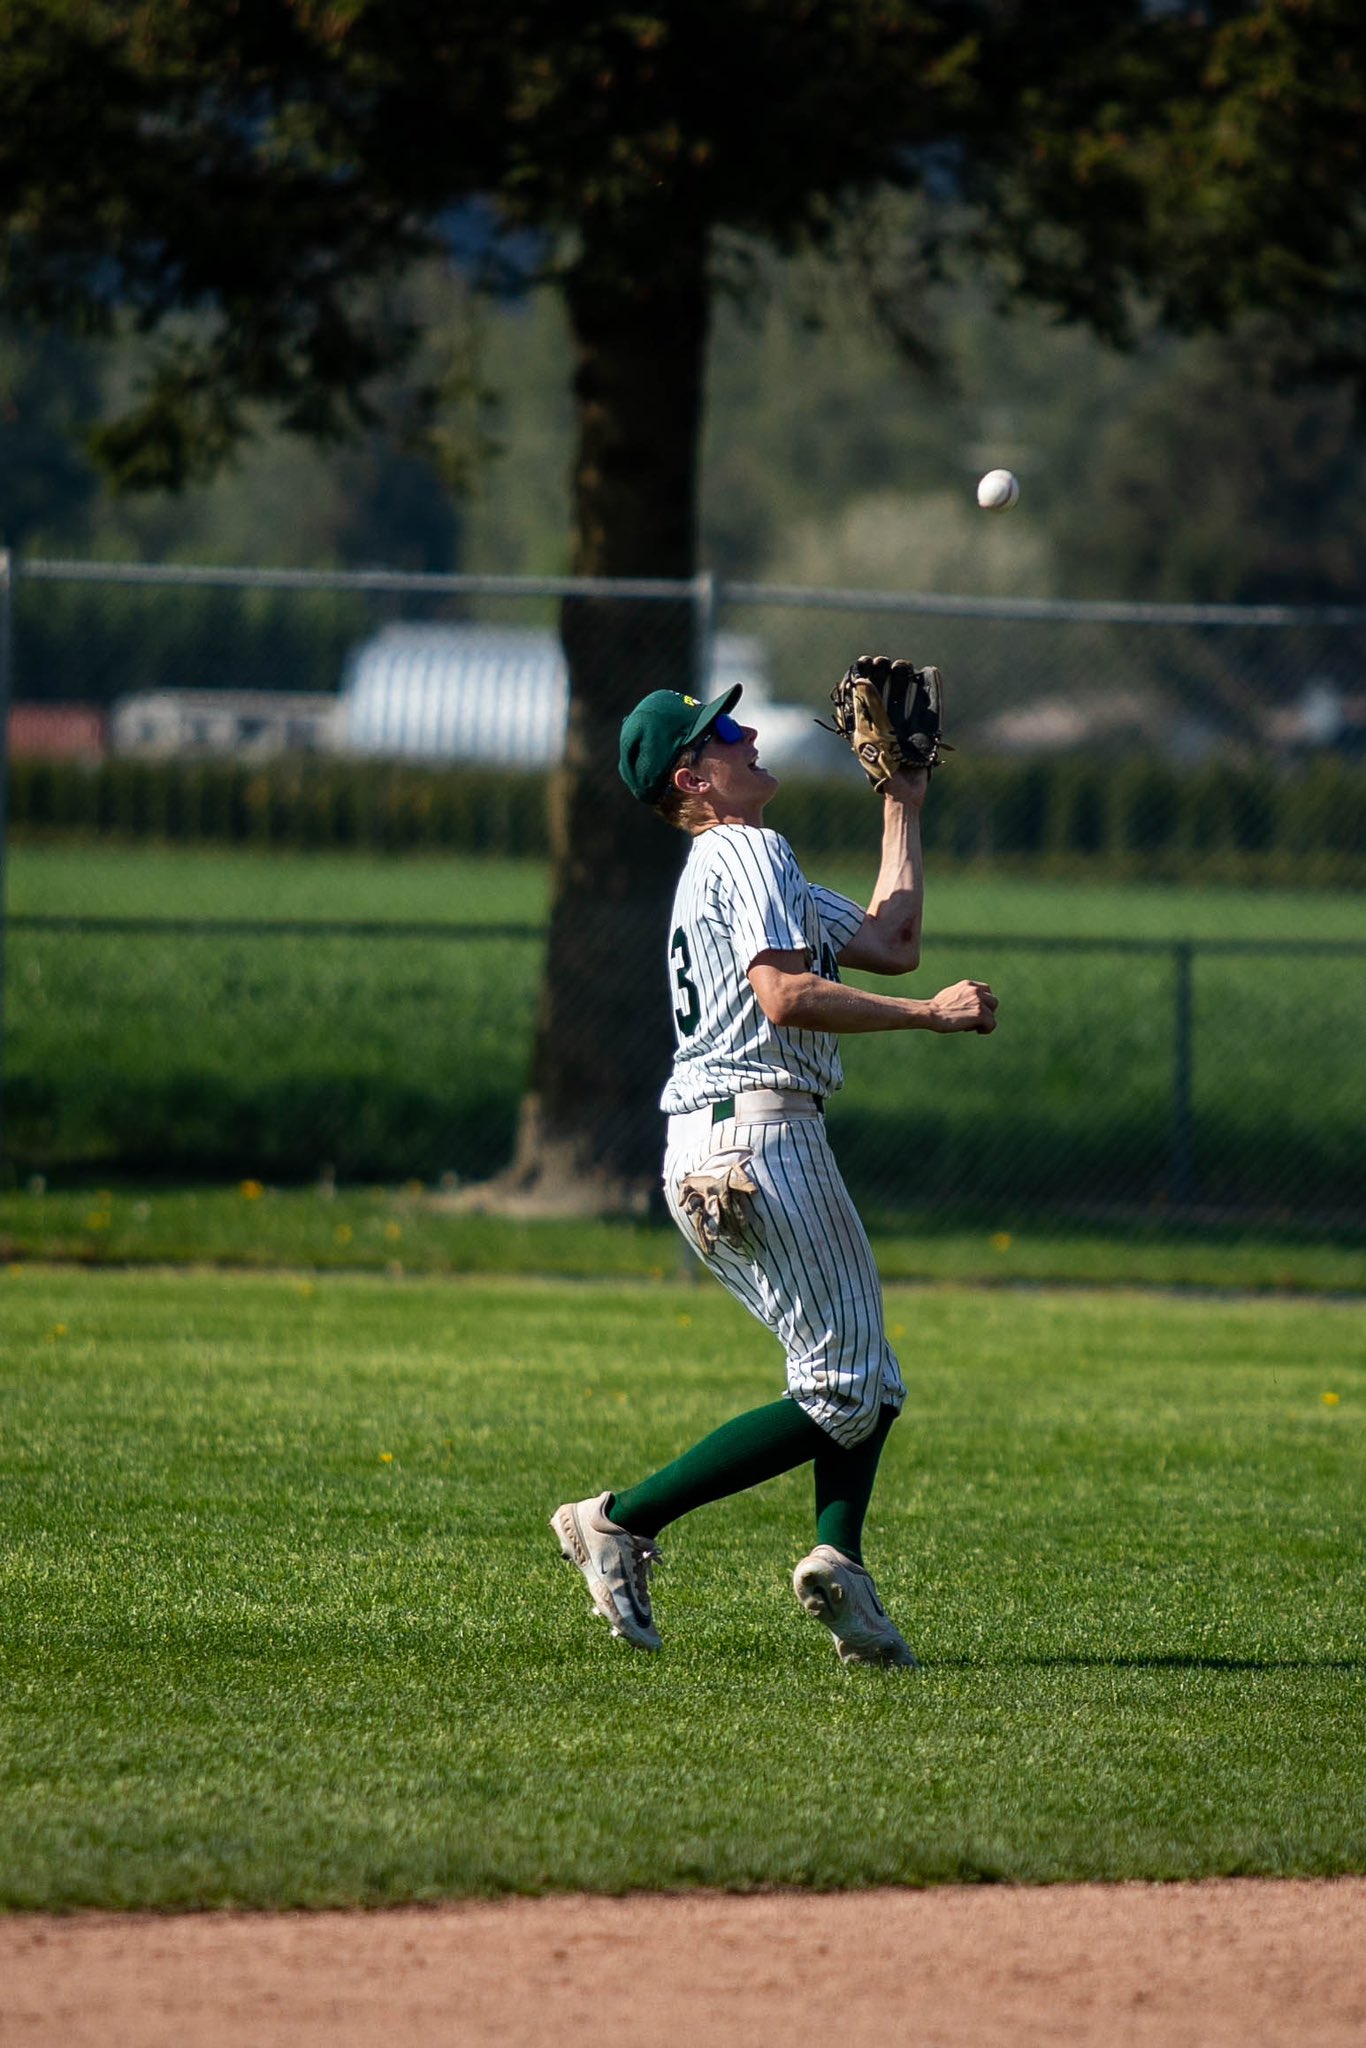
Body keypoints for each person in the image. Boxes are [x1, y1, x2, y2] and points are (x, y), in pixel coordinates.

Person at [550, 674, 998, 1665]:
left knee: (859, 1377)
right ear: (692, 777)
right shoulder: (747, 847)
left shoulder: (742, 862)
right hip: (759, 1138)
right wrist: (930, 1018)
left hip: (712, 1142)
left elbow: (891, 939)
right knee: (847, 1387)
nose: (746, 732)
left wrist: (902, 807)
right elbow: (789, 995)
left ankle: (840, 1563)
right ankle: (622, 1517)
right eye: (721, 730)